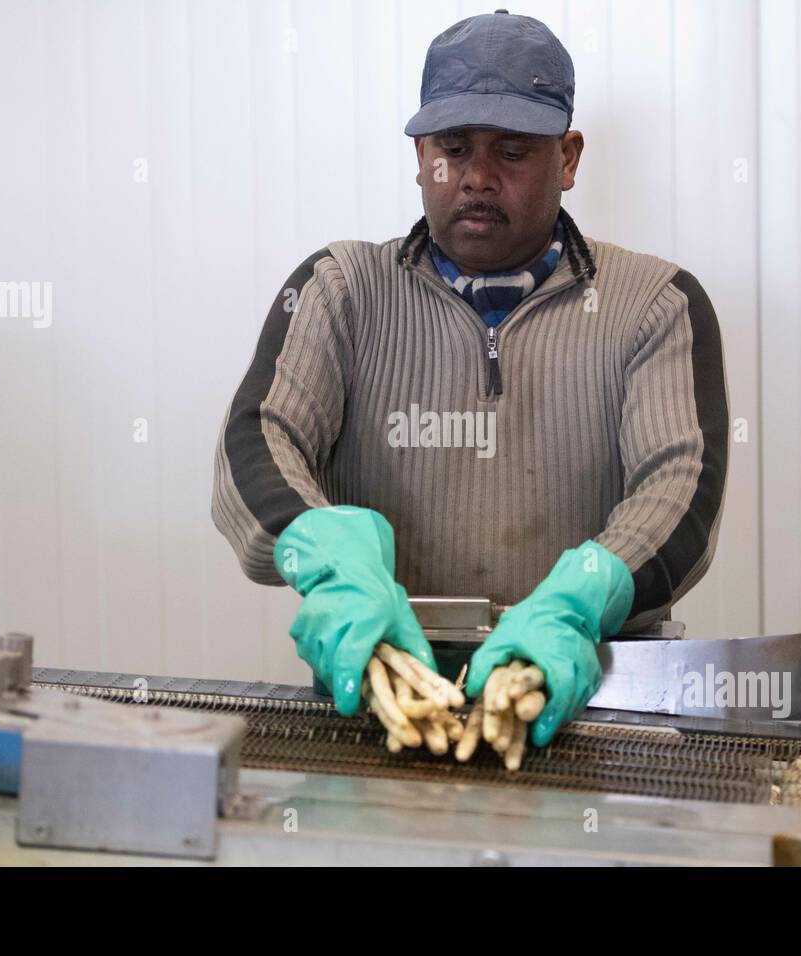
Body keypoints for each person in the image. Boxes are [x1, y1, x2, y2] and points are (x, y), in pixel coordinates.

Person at [213, 9, 728, 748]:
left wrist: (579, 602)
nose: (478, 178)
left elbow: (683, 493)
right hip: (387, 702)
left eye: (513, 151)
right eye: (453, 149)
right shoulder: (340, 290)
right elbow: (256, 441)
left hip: (595, 707)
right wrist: (320, 548)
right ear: (422, 156)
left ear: (570, 157)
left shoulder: (655, 304)